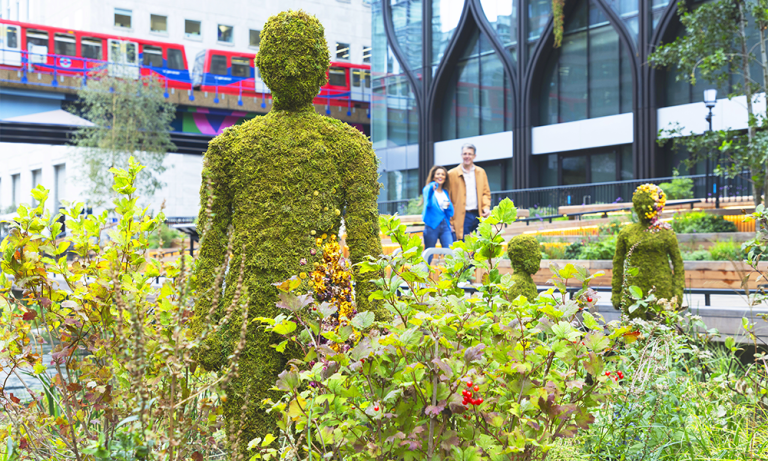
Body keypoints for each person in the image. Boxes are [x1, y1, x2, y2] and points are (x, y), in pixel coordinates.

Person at [447, 143, 492, 240]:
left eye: (470, 154)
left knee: (482, 243)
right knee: (462, 244)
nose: (467, 156)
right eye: (465, 154)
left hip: (479, 214)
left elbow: (485, 193)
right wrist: (450, 220)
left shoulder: (481, 172)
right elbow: (447, 198)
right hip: (461, 216)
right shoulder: (451, 174)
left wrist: (486, 207)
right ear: (461, 155)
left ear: (474, 156)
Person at [422, 165, 454, 262]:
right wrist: (431, 191)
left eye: (443, 174)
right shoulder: (428, 189)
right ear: (433, 176)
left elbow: (450, 212)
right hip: (432, 225)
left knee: (450, 253)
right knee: (428, 255)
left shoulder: (445, 192)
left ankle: (452, 272)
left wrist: (448, 206)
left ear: (445, 177)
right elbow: (428, 204)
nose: (440, 176)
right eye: (438, 174)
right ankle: (424, 272)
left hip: (445, 226)